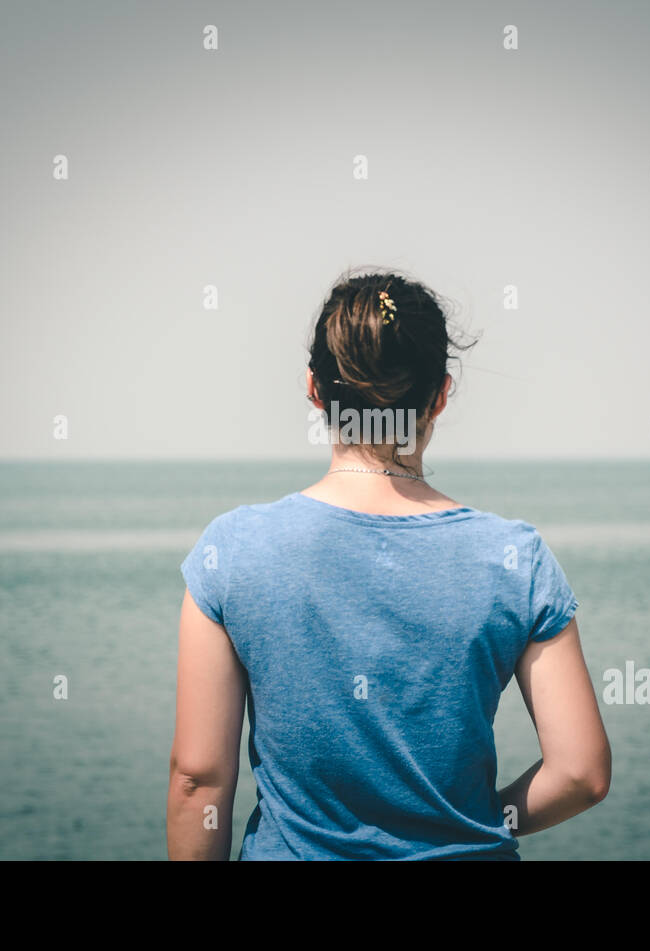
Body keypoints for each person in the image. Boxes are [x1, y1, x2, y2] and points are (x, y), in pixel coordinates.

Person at [166, 268, 611, 860]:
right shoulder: (514, 560)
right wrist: (478, 820)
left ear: (315, 391)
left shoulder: (233, 551)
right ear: (440, 395)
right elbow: (582, 773)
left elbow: (198, 778)